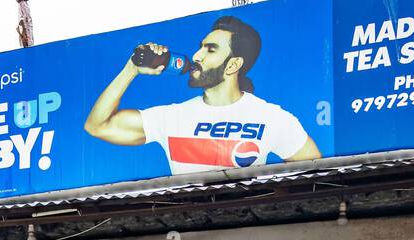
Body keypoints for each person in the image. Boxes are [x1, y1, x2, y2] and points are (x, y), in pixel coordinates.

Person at [84, 15, 320, 175]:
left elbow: (317, 177)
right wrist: (131, 70)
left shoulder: (272, 118)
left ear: (233, 65)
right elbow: (97, 126)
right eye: (200, 46)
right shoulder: (173, 116)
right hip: (192, 238)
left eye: (210, 49)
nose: (196, 56)